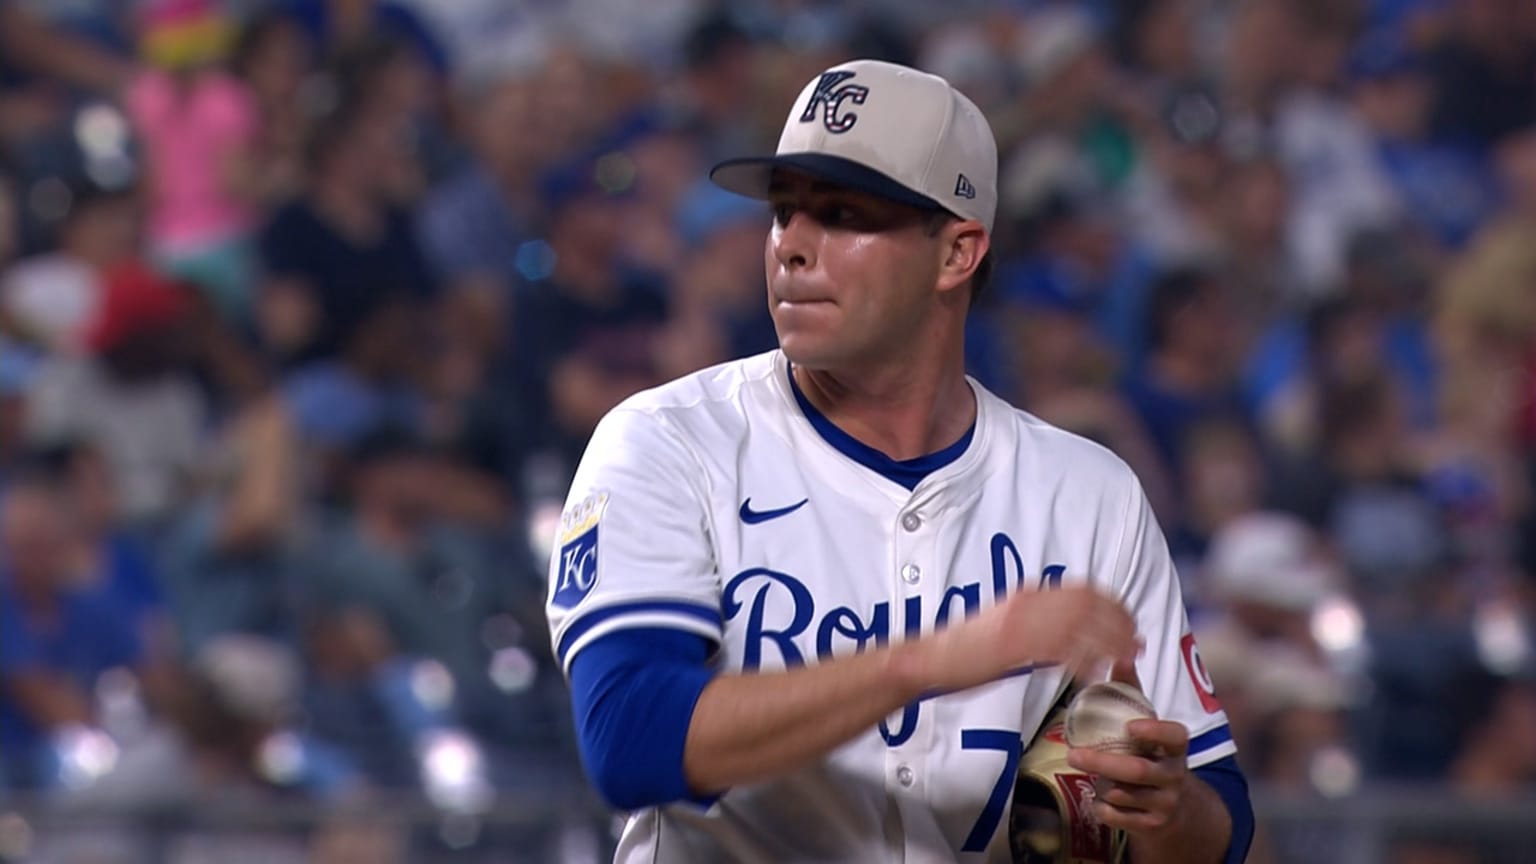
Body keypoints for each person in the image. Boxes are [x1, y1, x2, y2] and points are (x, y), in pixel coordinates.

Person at [545, 59, 1253, 862]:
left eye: (842, 215)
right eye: (784, 212)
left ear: (956, 253)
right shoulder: (668, 441)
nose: (791, 249)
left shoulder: (1087, 495)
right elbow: (629, 740)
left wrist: (1165, 809)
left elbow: (1221, 821)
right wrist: (940, 657)